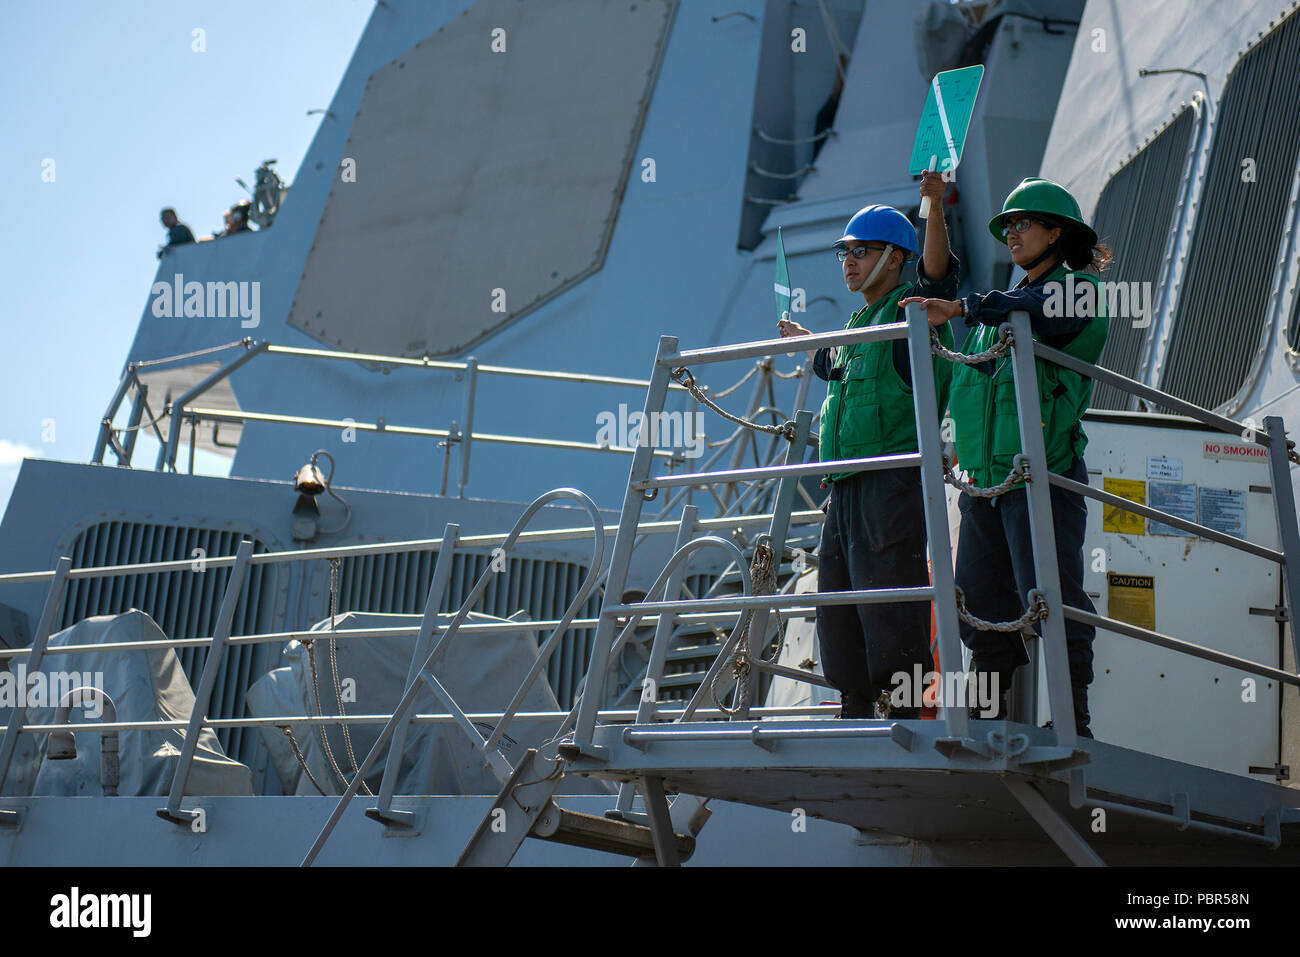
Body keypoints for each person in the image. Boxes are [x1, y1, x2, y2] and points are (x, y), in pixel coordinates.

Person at [900, 176, 1112, 737]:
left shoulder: (1078, 291)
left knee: (1050, 596)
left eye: (1024, 223)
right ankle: (991, 718)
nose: (1012, 233)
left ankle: (1073, 722)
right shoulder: (993, 317)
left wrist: (965, 304)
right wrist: (935, 213)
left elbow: (1037, 311)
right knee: (981, 604)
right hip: (985, 484)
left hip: (1042, 474)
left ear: (1056, 232)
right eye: (1009, 225)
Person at [779, 171, 958, 718]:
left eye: (862, 251)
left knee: (889, 601)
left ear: (896, 258)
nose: (849, 262)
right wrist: (813, 347)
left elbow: (940, 276)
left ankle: (906, 713)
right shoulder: (861, 323)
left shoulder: (914, 311)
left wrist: (932, 205)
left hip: (891, 481)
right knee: (837, 602)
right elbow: (845, 370)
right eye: (845, 253)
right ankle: (854, 704)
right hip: (847, 486)